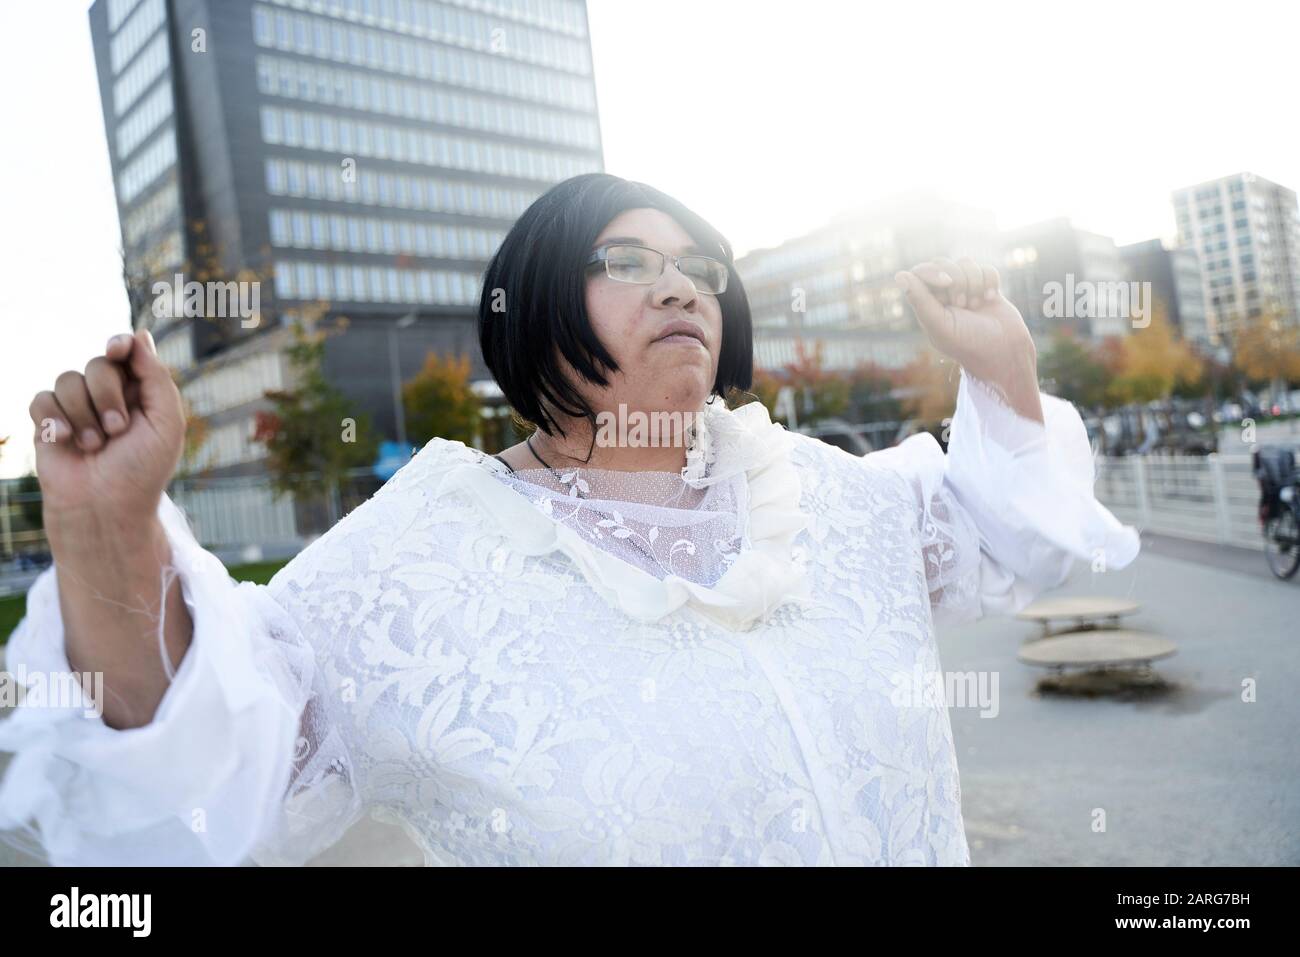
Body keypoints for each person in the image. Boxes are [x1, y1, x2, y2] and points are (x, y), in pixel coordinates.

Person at [0, 173, 1138, 866]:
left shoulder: (827, 491)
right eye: (625, 262)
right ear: (536, 300)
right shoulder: (423, 557)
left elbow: (1014, 536)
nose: (681, 285)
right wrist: (109, 538)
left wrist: (1004, 371)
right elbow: (209, 772)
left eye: (698, 267)